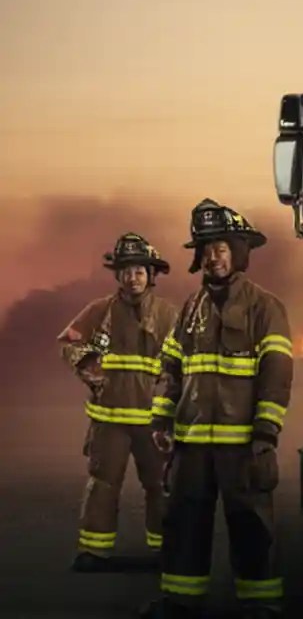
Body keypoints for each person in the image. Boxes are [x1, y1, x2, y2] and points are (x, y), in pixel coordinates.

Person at [140, 199, 293, 619]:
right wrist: (161, 419)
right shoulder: (190, 309)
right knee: (184, 523)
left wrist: (265, 433)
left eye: (220, 248)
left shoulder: (266, 307)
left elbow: (276, 372)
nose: (212, 257)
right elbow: (170, 366)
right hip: (191, 444)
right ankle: (180, 601)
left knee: (251, 525)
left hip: (242, 445)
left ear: (238, 253)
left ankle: (260, 603)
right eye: (205, 249)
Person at [57, 233, 179, 572]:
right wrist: (85, 365)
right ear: (118, 275)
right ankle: (93, 550)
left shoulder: (169, 315)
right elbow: (69, 342)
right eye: (126, 271)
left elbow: (183, 360)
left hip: (153, 420)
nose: (132, 277)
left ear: (150, 275)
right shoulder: (100, 311)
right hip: (109, 420)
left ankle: (166, 548)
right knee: (102, 483)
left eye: (139, 270)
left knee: (159, 485)